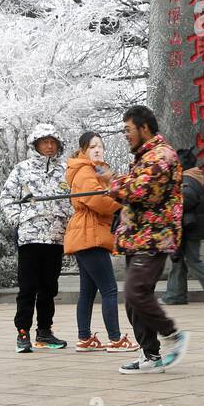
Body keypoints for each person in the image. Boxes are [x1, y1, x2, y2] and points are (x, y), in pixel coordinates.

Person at [106, 105, 190, 374]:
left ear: (144, 128)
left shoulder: (162, 156)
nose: (125, 135)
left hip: (154, 238)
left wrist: (114, 185)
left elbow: (144, 190)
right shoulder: (145, 157)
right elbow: (134, 185)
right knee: (133, 299)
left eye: (128, 129)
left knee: (136, 292)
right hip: (138, 237)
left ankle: (173, 335)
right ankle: (150, 355)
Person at [63, 131, 140, 353]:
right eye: (92, 147)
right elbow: (95, 199)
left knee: (88, 291)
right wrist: (122, 208)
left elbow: (107, 190)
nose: (98, 150)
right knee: (109, 289)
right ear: (83, 150)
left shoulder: (93, 170)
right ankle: (115, 339)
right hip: (90, 234)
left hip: (86, 233)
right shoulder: (84, 170)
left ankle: (85, 338)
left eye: (100, 146)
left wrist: (112, 181)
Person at [0, 124, 71, 352]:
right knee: (28, 287)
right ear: (36, 144)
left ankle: (45, 331)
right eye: (44, 141)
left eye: (53, 142)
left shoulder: (65, 170)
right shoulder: (23, 168)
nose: (49, 146)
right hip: (30, 237)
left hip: (55, 237)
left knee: (49, 288)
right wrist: (19, 218)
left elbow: (73, 200)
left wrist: (69, 220)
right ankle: (23, 333)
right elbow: (7, 197)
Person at [162, 148, 204, 306]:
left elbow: (188, 199)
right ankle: (174, 295)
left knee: (193, 260)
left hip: (189, 228)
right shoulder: (191, 177)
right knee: (179, 260)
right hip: (189, 227)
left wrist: (171, 204)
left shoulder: (187, 179)